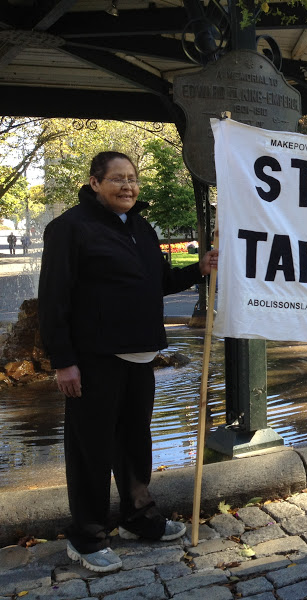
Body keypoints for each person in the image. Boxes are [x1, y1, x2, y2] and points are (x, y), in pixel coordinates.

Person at [38, 151, 219, 572]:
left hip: (141, 356)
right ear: (95, 182)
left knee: (135, 444)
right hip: (93, 359)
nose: (127, 186)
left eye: (133, 179)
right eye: (117, 179)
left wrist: (199, 268)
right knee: (91, 451)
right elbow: (53, 300)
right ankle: (86, 537)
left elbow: (156, 282)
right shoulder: (68, 229)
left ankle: (139, 517)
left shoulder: (140, 226)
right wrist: (63, 362)